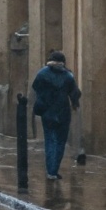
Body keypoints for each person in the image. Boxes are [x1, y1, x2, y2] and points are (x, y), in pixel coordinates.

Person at [30, 50, 81, 181]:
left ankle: (51, 171)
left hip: (48, 111)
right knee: (60, 142)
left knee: (50, 140)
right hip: (63, 111)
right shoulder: (68, 75)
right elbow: (75, 92)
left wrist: (43, 97)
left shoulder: (42, 73)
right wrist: (74, 103)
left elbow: (35, 87)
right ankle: (54, 169)